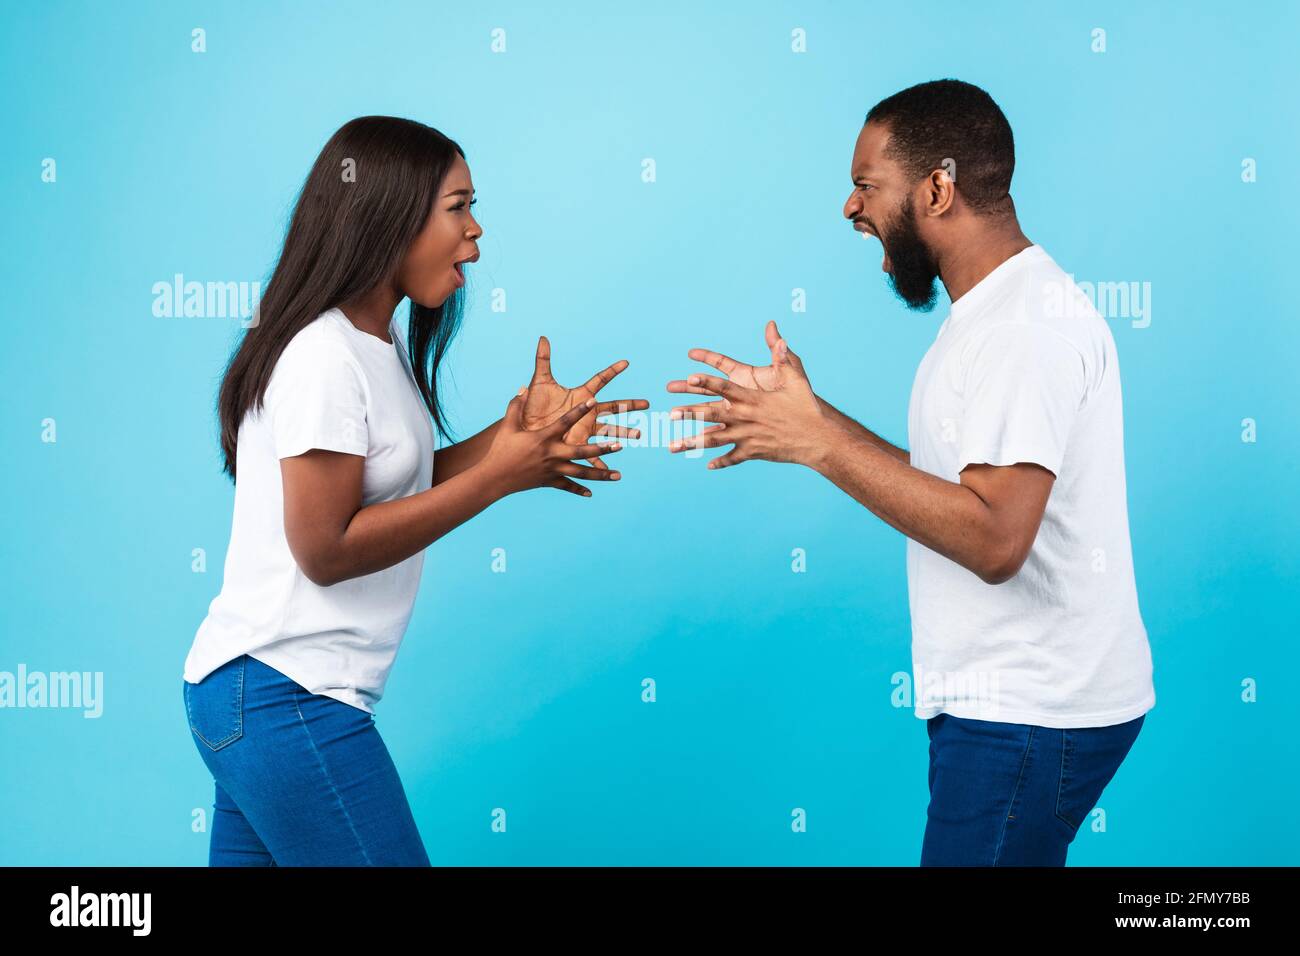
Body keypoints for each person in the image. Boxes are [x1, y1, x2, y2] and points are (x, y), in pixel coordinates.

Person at [665, 79, 1154, 866]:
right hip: (1014, 711)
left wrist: (821, 444)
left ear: (936, 188)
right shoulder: (992, 316)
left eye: (866, 185)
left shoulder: (1024, 329)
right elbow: (960, 494)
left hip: (1027, 714)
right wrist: (813, 423)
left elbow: (996, 539)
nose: (851, 209)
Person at [181, 116, 647, 866]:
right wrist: (503, 476)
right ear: (389, 216)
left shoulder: (374, 344)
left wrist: (516, 436)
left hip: (250, 696)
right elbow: (325, 550)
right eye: (458, 207)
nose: (477, 233)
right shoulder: (322, 354)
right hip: (284, 694)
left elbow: (402, 485)